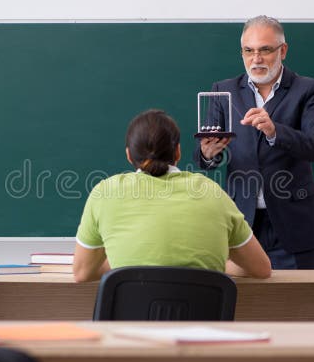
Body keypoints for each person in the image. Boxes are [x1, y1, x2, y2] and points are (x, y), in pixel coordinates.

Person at [194, 15, 314, 270]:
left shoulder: (308, 89)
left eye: (265, 50)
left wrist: (274, 131)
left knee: (298, 306)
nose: (256, 59)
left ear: (283, 50)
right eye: (249, 51)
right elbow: (205, 157)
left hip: (295, 224)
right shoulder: (224, 91)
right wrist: (208, 153)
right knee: (245, 308)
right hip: (241, 225)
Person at [73, 109, 271, 283]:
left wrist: (123, 265)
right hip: (200, 324)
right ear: (178, 152)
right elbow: (261, 269)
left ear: (129, 155)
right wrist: (217, 267)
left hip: (133, 324)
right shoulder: (212, 192)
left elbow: (82, 273)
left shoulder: (104, 193)